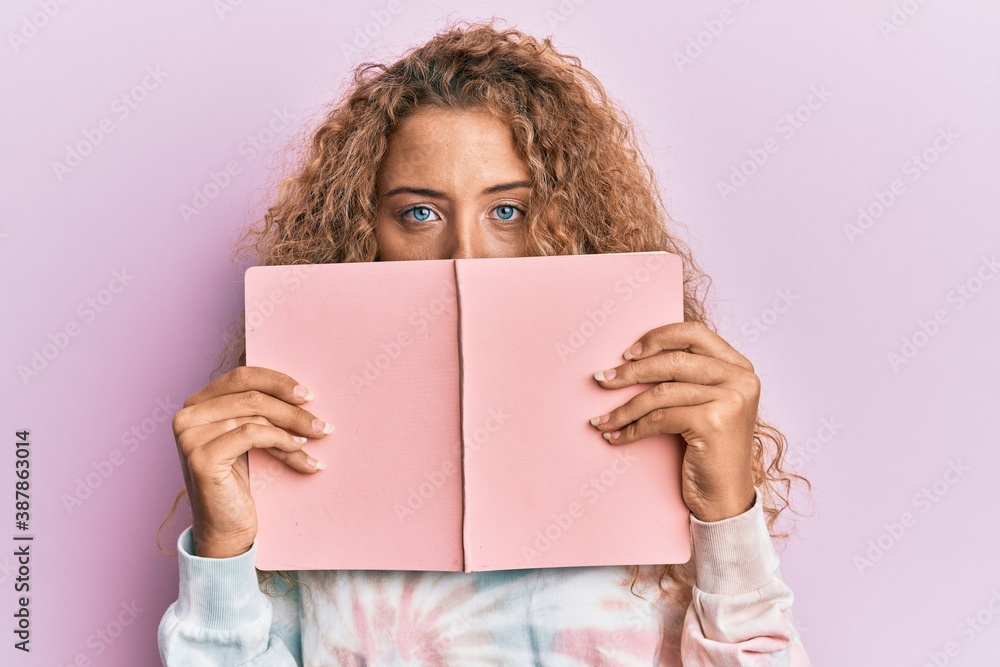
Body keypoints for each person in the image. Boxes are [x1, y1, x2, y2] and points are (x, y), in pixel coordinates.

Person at [157, 18, 813, 665]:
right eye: (420, 213)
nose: (466, 256)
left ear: (569, 224)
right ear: (364, 235)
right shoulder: (299, 455)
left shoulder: (666, 432)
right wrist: (223, 547)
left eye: (508, 210)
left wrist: (726, 513)